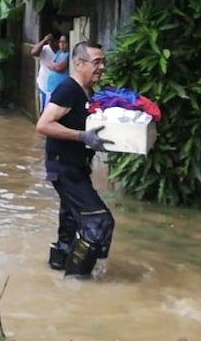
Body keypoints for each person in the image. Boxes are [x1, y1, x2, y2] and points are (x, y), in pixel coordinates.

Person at [35, 41, 115, 277]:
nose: (101, 67)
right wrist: (82, 136)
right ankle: (77, 280)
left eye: (103, 62)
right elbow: (43, 125)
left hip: (76, 167)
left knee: (70, 224)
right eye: (96, 62)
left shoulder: (85, 91)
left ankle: (59, 267)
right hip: (64, 168)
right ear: (79, 64)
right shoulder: (69, 89)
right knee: (99, 221)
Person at [31, 30, 69, 112]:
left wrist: (53, 65)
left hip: (58, 87)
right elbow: (33, 52)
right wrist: (44, 40)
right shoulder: (45, 49)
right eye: (49, 41)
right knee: (44, 110)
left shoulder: (63, 53)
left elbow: (59, 67)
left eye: (53, 41)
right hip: (45, 86)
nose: (51, 43)